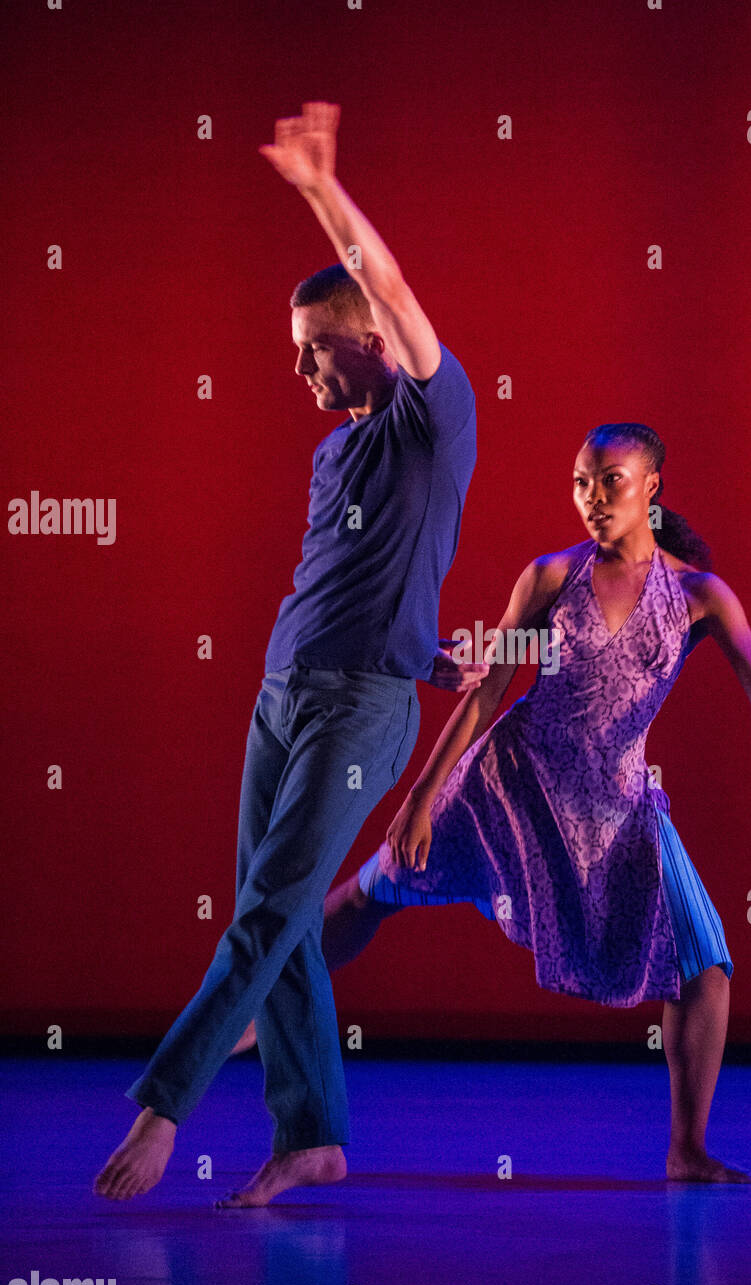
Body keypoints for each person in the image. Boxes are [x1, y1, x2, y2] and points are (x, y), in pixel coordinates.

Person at [238, 420, 751, 1184]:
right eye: (581, 483)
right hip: (514, 785)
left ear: (651, 487)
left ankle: (687, 1150)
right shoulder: (551, 579)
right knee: (372, 893)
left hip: (619, 805)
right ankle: (256, 1006)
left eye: (611, 482)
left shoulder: (699, 597)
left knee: (705, 966)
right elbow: (491, 689)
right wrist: (422, 796)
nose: (592, 499)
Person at [93, 102, 487, 1206]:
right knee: (278, 928)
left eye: (317, 348)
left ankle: (162, 1107)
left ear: (368, 341)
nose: (301, 371)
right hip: (283, 694)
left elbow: (397, 290)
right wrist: (429, 641)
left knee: (268, 916)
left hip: (361, 712)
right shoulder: (332, 455)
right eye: (292, 353)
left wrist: (319, 188)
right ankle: (311, 1132)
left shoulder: (431, 417)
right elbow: (361, 581)